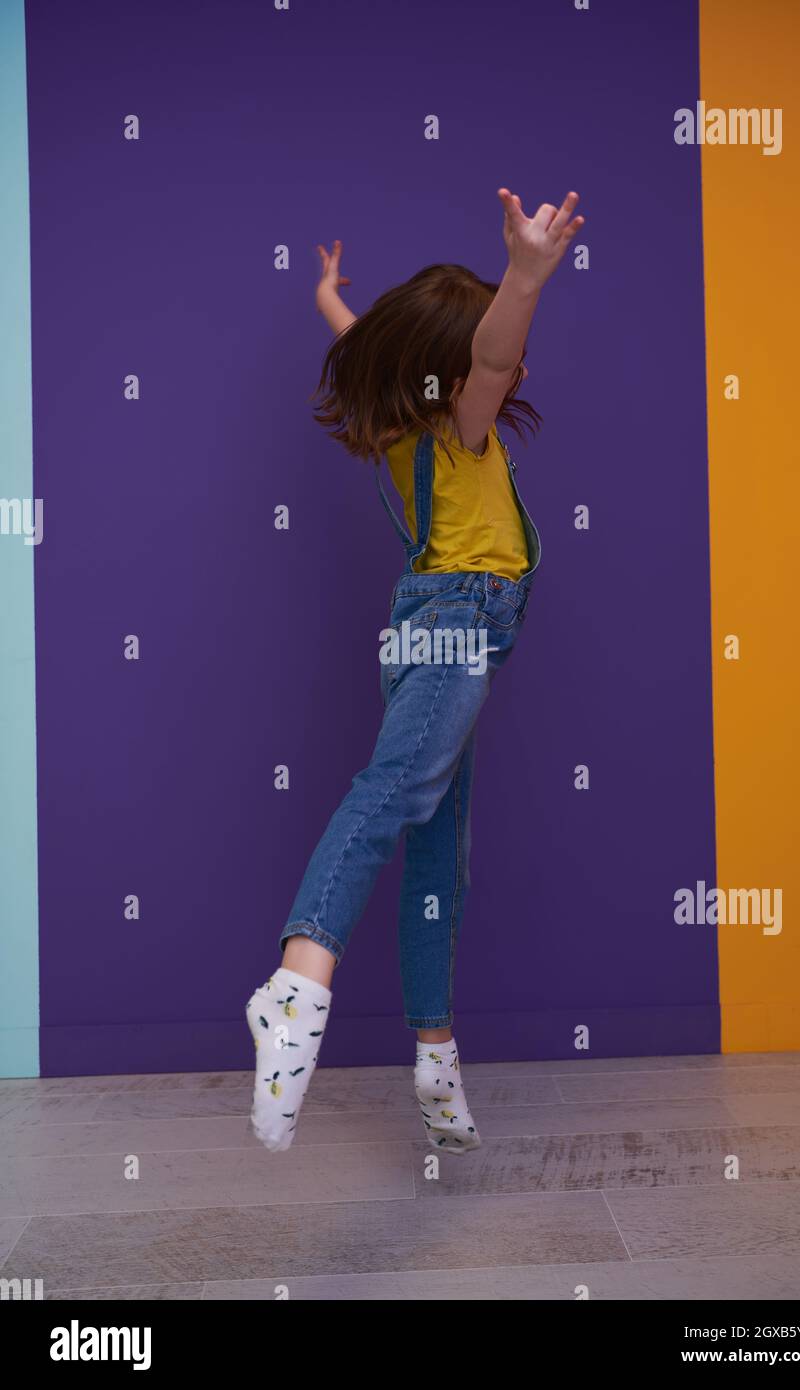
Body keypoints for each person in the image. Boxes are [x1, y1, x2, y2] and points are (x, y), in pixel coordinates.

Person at [246, 188, 584, 1154]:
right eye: (477, 338)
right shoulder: (458, 423)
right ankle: (296, 989)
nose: (498, 353)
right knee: (393, 793)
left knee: (438, 852)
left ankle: (435, 1064)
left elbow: (373, 348)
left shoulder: (400, 417)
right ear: (448, 364)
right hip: (454, 623)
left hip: (425, 632)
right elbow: (488, 358)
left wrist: (326, 299)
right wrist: (524, 275)